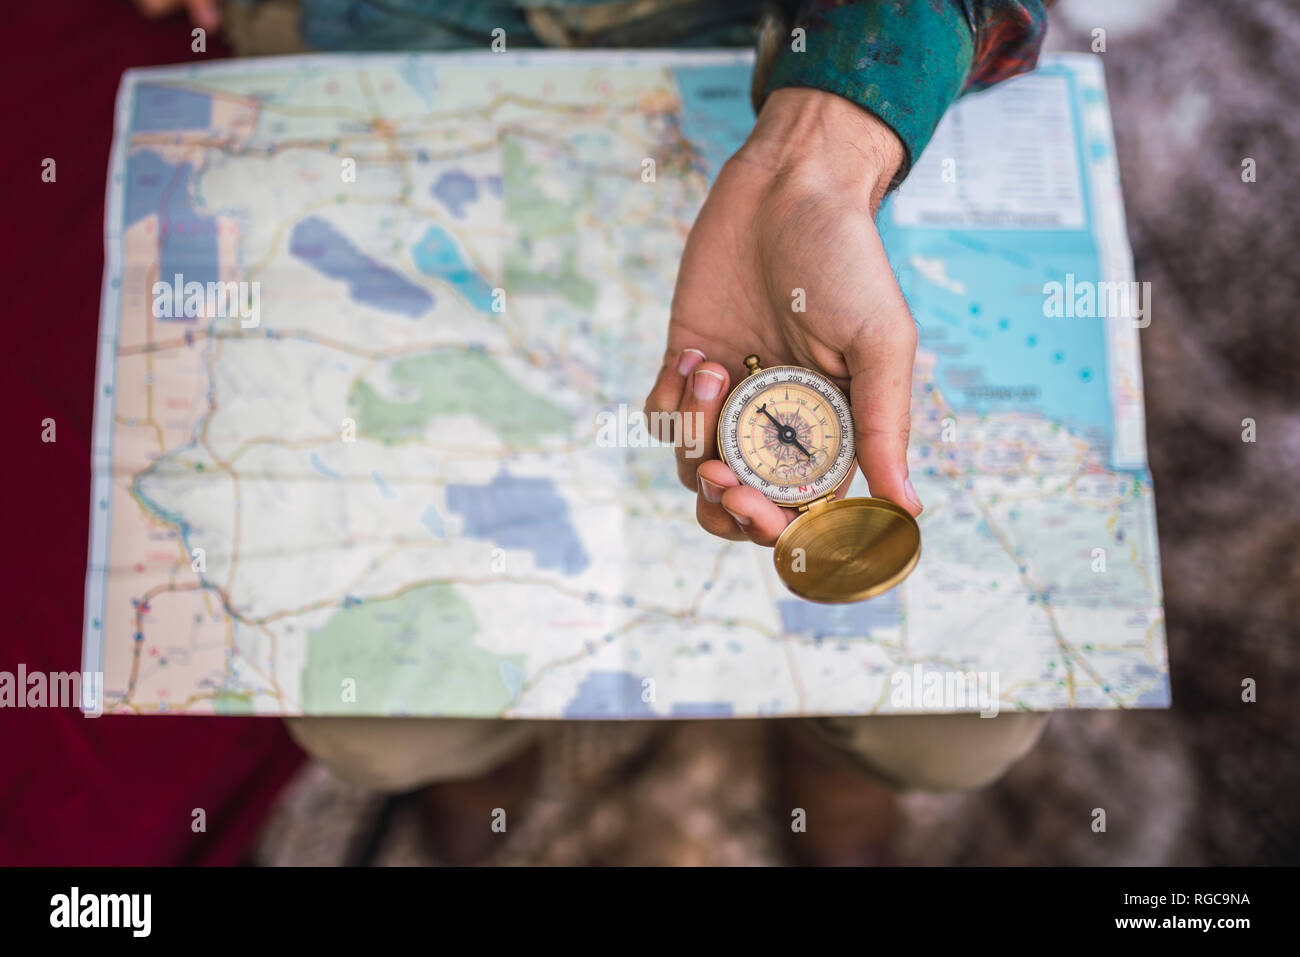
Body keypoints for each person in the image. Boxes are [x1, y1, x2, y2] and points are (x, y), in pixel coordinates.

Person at [132, 0, 1054, 864]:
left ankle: (840, 755)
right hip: (387, 36)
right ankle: (478, 750)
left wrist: (817, 157)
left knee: (959, 717)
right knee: (377, 716)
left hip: (777, 40)